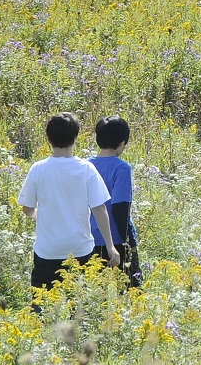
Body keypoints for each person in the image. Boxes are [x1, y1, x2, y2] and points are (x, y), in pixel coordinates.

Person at [18, 113, 120, 290]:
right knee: (78, 305)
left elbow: (27, 208)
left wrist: (40, 216)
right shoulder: (86, 169)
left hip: (47, 250)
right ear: (75, 138)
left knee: (41, 305)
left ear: (48, 139)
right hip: (79, 249)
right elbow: (99, 209)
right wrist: (110, 246)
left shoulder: (38, 169)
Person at [89, 116, 143, 287]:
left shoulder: (86, 165)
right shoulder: (122, 168)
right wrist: (129, 240)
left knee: (96, 294)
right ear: (122, 142)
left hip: (88, 239)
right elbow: (120, 208)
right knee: (129, 290)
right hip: (116, 241)